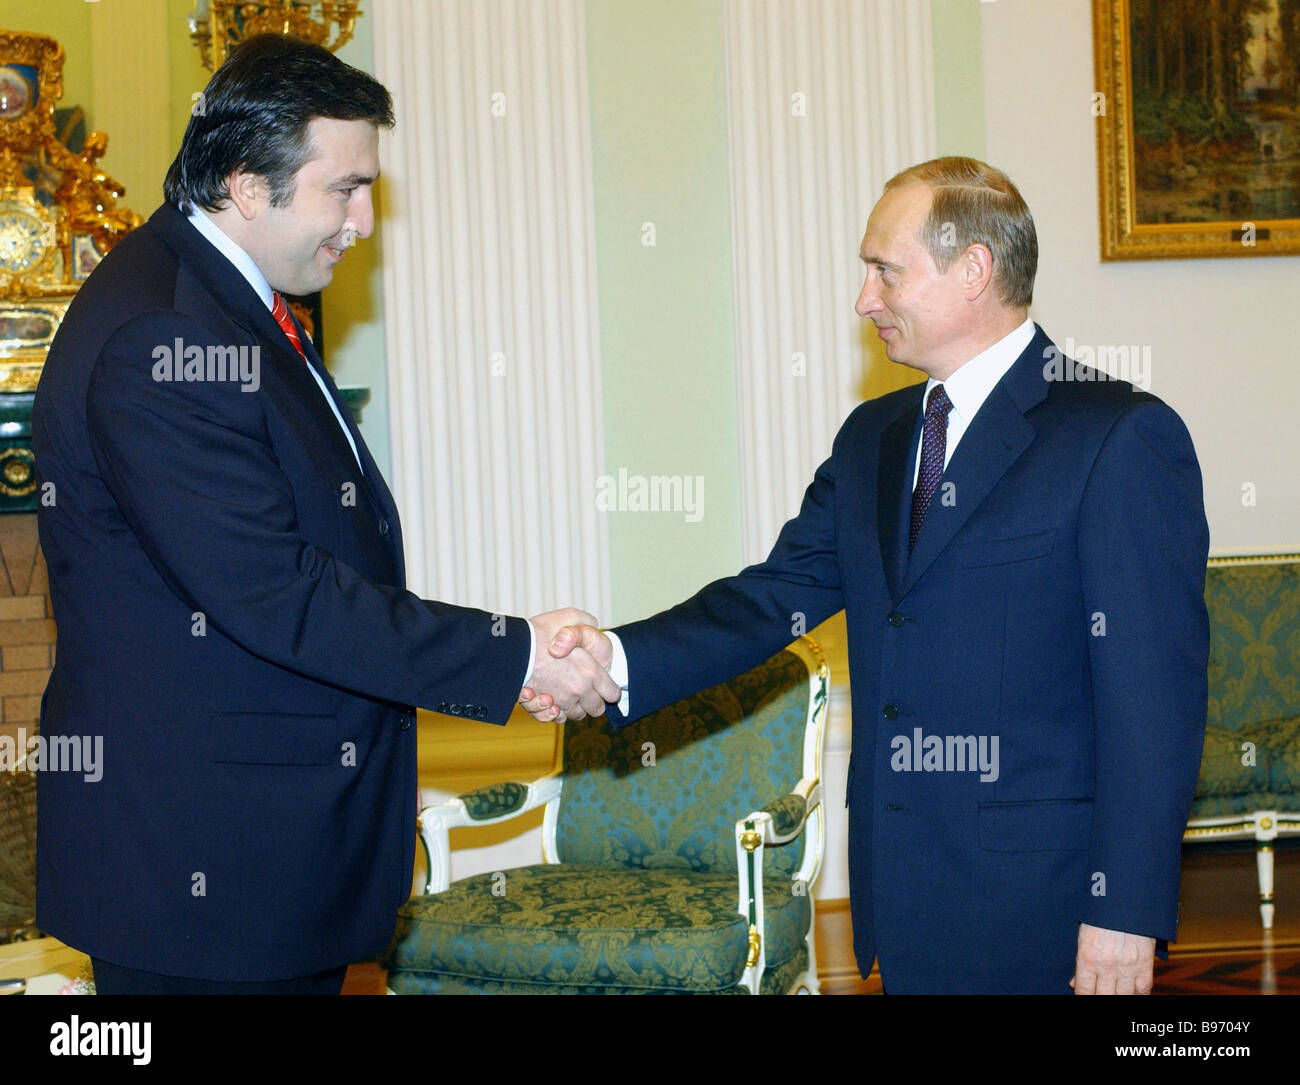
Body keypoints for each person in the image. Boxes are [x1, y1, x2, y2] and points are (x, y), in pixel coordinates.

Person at [525, 157, 1210, 995]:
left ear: (973, 270)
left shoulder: (1118, 437)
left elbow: (1155, 704)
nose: (864, 299)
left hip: (1049, 904)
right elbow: (770, 599)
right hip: (903, 892)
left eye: (885, 270)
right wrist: (612, 660)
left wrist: (1127, 908)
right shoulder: (874, 439)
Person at [33, 34, 617, 995]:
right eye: (343, 188)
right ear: (245, 184)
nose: (366, 221)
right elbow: (277, 594)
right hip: (208, 874)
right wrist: (515, 654)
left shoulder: (228, 300)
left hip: (260, 855)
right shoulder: (164, 332)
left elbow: (318, 555)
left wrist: (513, 645)